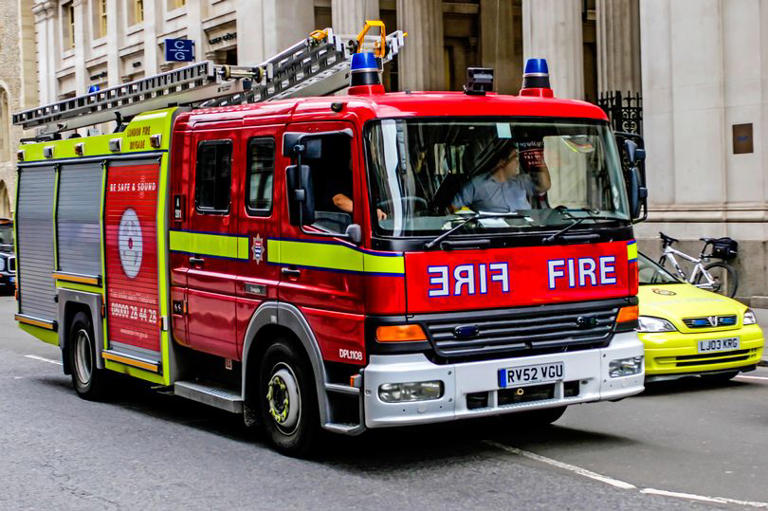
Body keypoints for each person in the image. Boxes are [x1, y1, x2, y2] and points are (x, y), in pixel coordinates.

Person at [451, 147, 551, 212]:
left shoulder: (521, 180)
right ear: (502, 163)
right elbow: (453, 208)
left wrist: (538, 160)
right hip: (495, 238)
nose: (517, 163)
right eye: (515, 159)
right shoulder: (477, 184)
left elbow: (544, 185)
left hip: (527, 233)